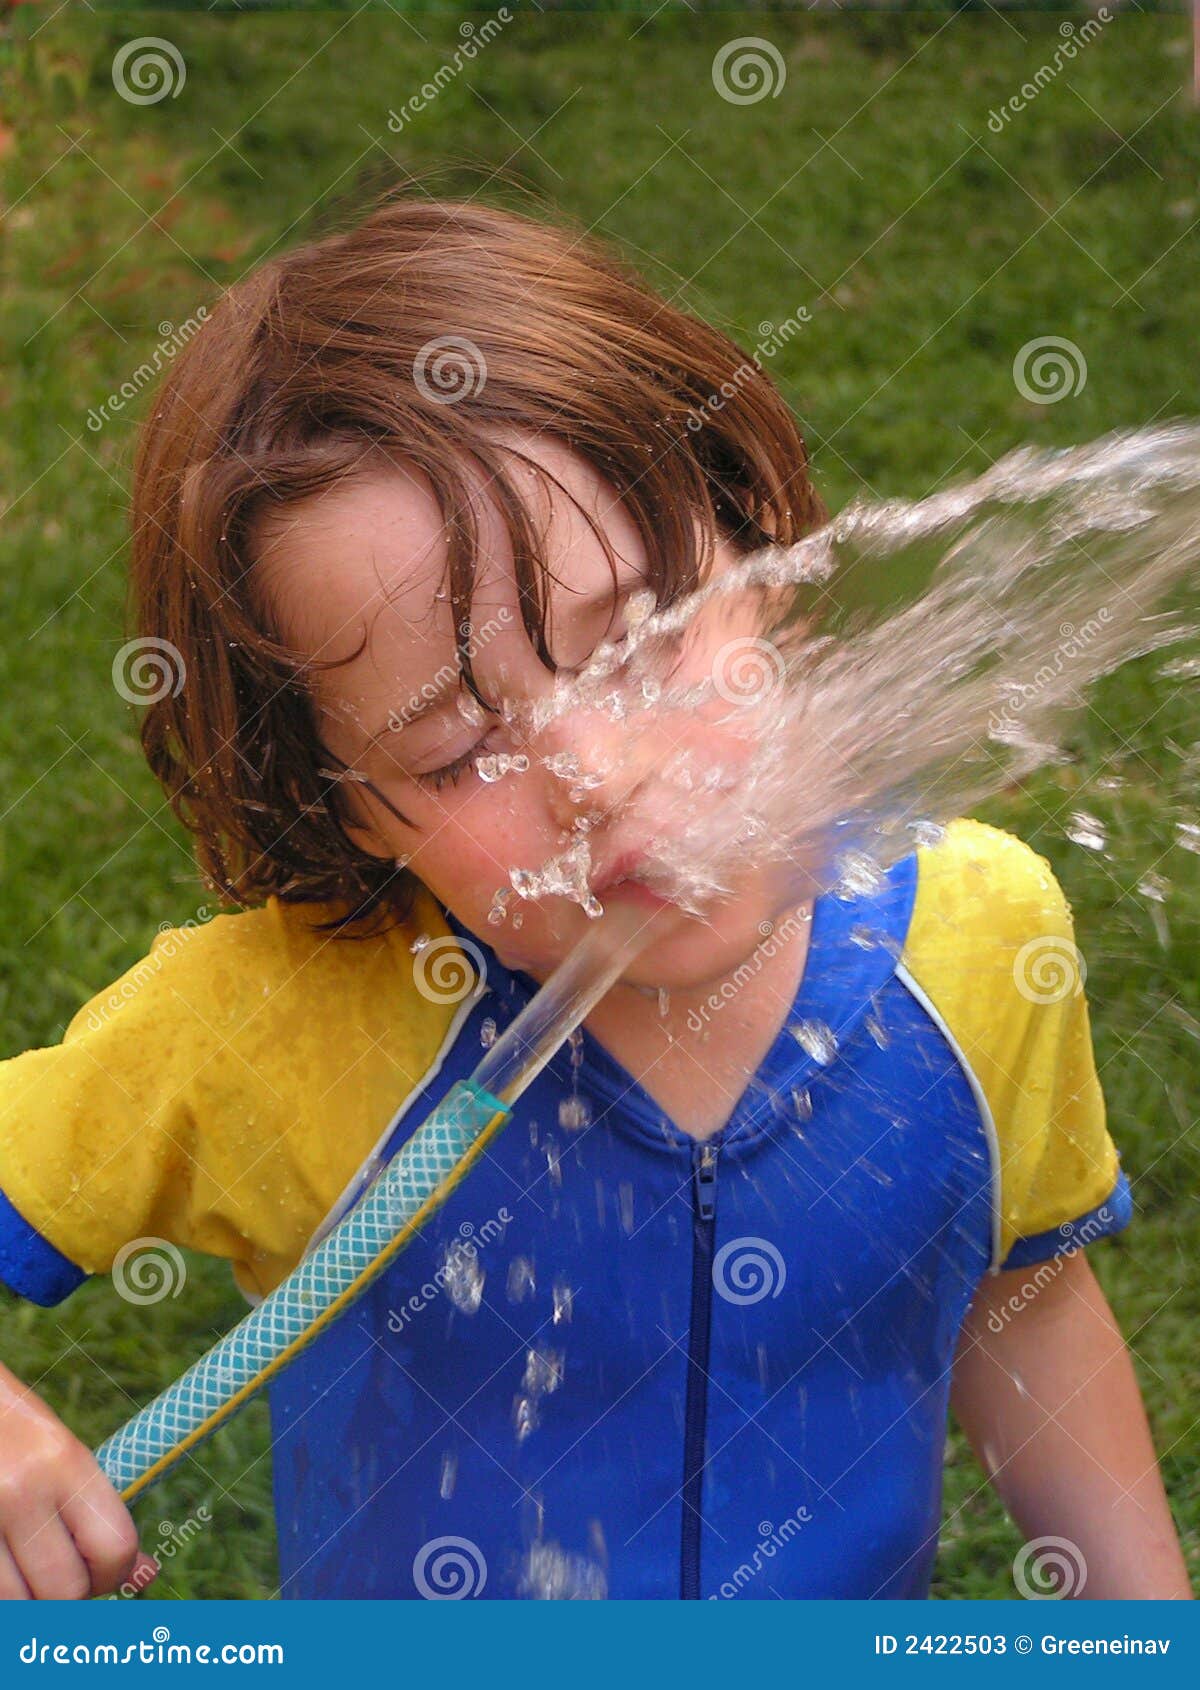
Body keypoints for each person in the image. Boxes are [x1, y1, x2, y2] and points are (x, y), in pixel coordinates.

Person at [0, 193, 1190, 1602]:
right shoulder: (265, 1026)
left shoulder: (981, 938)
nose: (595, 775)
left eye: (641, 639)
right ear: (344, 808)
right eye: (456, 749)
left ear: (760, 559)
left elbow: (1020, 1298)